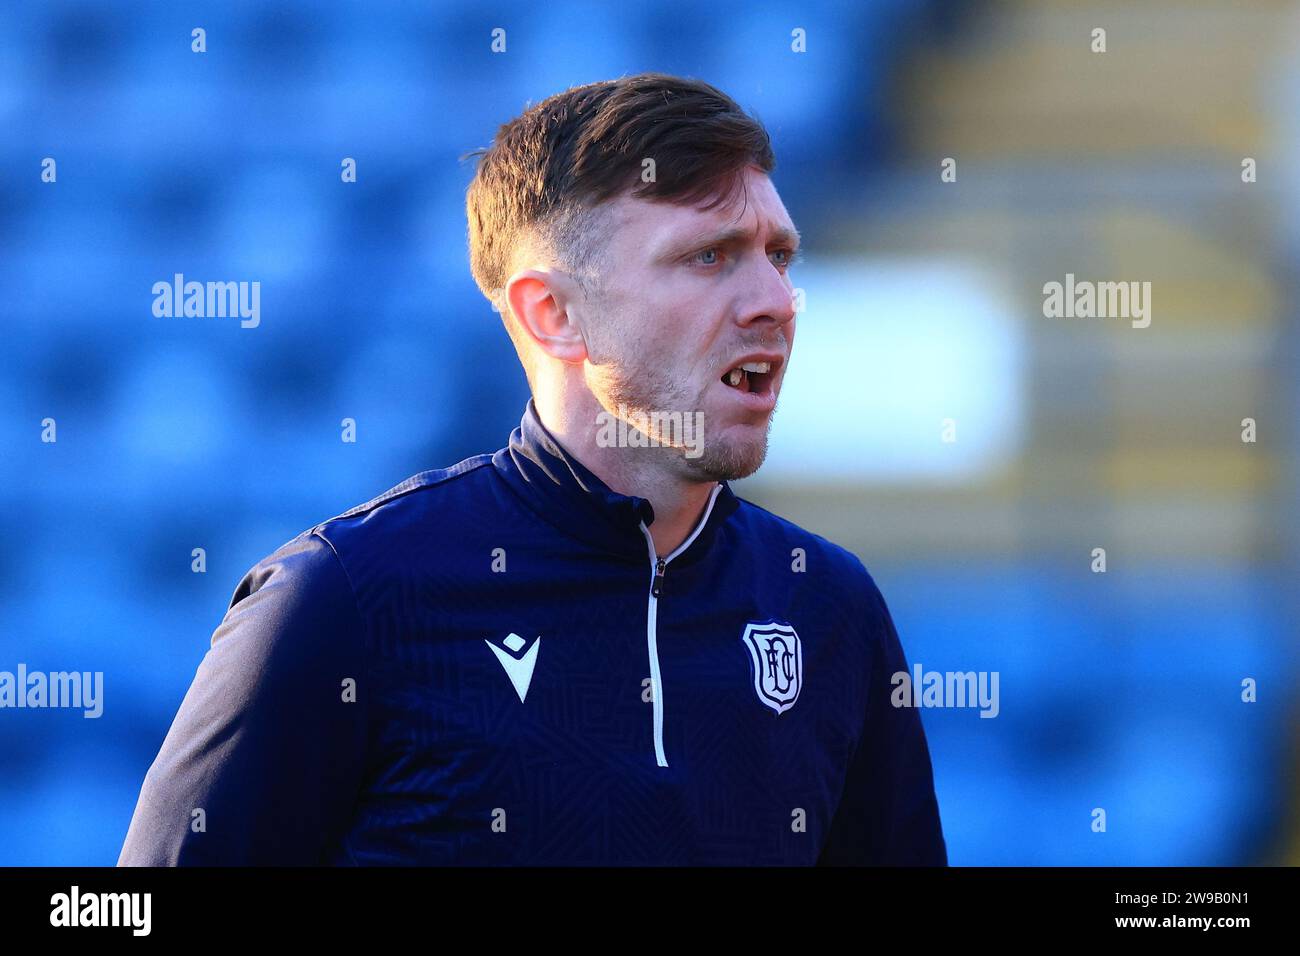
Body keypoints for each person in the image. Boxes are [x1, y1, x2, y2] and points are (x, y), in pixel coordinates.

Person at [118, 72, 947, 865]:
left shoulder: (828, 607)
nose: (775, 300)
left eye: (780, 255)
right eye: (710, 256)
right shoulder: (346, 600)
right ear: (553, 314)